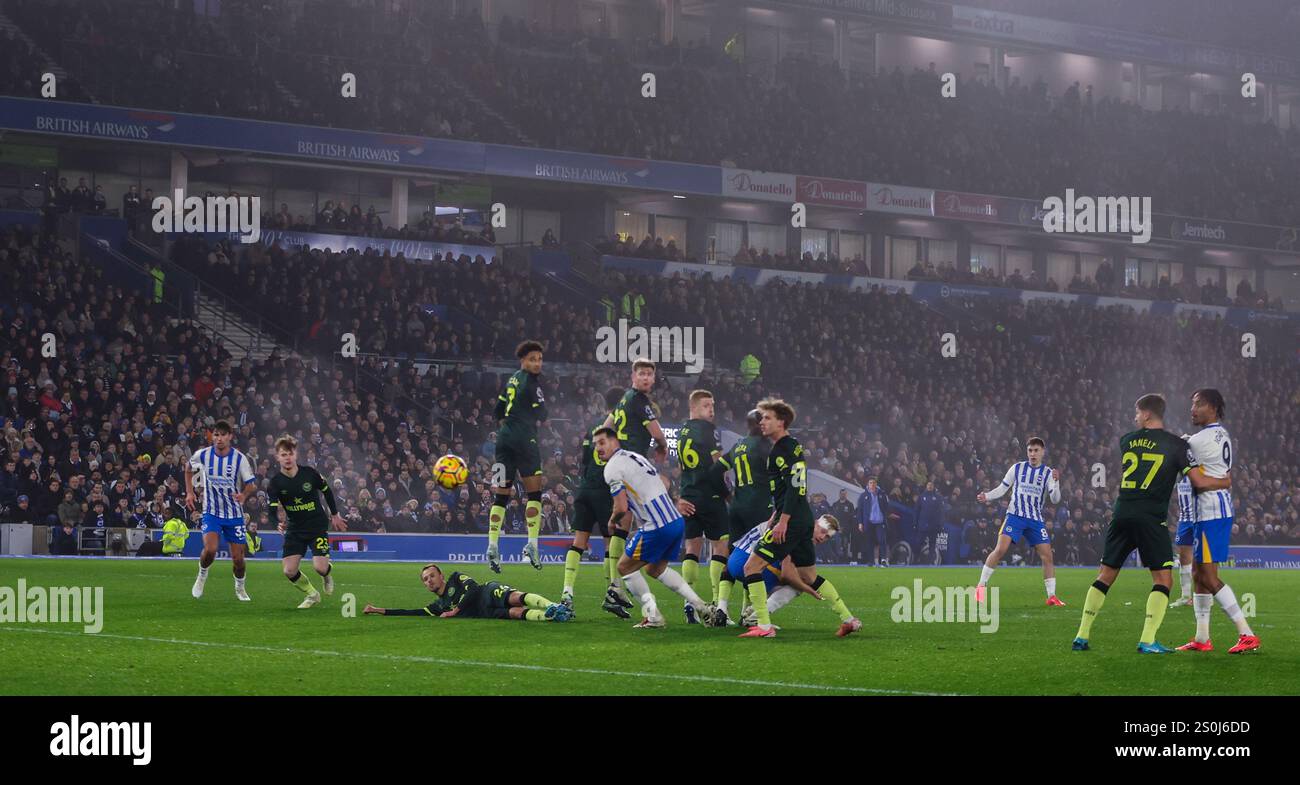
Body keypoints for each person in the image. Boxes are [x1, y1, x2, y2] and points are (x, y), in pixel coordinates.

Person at [1071, 394, 1226, 654]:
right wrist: (1224, 481)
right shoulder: (1176, 445)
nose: (1135, 417)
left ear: (1146, 415)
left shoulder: (1126, 441)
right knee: (1163, 579)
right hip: (1151, 518)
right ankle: (1147, 639)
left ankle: (1081, 636)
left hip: (1121, 514)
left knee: (1105, 575)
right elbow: (1198, 481)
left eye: (1137, 412)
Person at [738, 399, 859, 638]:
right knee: (810, 576)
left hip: (792, 520)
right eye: (761, 418)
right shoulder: (790, 447)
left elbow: (796, 488)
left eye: (767, 418)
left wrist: (783, 520)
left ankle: (763, 626)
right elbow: (792, 488)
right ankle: (849, 619)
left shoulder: (783, 450)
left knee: (750, 566)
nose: (762, 422)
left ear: (781, 422)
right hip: (802, 519)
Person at [593, 427, 718, 628]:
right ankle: (702, 607)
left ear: (615, 441)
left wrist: (612, 520)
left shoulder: (611, 468)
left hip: (657, 525)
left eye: (602, 442)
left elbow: (621, 507)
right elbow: (664, 481)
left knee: (623, 567)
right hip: (675, 521)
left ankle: (653, 616)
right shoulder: (636, 457)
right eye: (595, 444)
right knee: (655, 569)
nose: (598, 448)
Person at [1176, 389, 1259, 654]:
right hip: (1210, 512)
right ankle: (1202, 638)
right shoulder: (1222, 434)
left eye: (1198, 404)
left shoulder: (1199, 441)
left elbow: (1184, 463)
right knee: (1199, 575)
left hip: (1211, 513)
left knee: (1210, 577)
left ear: (1212, 407)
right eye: (1192, 404)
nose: (1192, 409)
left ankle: (1246, 633)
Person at [974, 437, 1065, 606]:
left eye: (1036, 450)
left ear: (1043, 452)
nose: (1033, 454)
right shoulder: (1017, 468)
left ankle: (1051, 596)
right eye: (1030, 450)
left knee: (1047, 556)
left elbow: (1055, 498)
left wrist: (1057, 482)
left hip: (1035, 520)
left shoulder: (1048, 473)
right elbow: (1003, 488)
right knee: (1000, 550)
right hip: (1015, 516)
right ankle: (980, 586)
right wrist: (987, 496)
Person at [560, 387, 627, 615]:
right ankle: (613, 593)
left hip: (584, 488)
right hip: (604, 490)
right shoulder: (618, 427)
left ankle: (567, 592)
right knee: (611, 542)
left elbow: (585, 459)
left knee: (579, 543)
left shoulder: (593, 428)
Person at [267, 435, 348, 609]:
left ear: (295, 454)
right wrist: (276, 522)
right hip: (295, 529)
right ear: (277, 457)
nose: (287, 458)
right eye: (283, 455)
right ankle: (312, 594)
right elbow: (271, 510)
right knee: (289, 571)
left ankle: (326, 574)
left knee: (320, 568)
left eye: (290, 454)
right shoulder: (275, 483)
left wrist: (335, 514)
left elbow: (327, 491)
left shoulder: (310, 474)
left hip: (316, 526)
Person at [487, 341, 547, 572]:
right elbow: (542, 412)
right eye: (533, 359)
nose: (537, 363)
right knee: (534, 493)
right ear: (523, 360)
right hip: (525, 440)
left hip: (502, 442)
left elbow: (498, 411)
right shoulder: (531, 383)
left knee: (501, 496)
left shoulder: (511, 379)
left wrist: (508, 429)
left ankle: (492, 546)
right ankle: (532, 544)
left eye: (540, 359)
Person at [186, 420, 257, 601]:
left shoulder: (239, 458)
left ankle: (240, 588)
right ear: (212, 436)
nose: (219, 438)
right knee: (210, 550)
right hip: (211, 512)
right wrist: (189, 493)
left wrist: (243, 495)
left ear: (230, 437)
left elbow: (251, 484)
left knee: (238, 560)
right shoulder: (203, 455)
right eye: (216, 435)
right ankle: (202, 575)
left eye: (223, 435)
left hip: (234, 515)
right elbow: (188, 468)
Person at [677, 389, 730, 622]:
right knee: (721, 546)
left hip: (688, 497)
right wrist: (727, 493)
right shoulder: (709, 430)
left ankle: (689, 603)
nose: (712, 410)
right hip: (711, 496)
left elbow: (682, 468)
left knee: (692, 548)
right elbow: (718, 465)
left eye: (713, 405)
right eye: (707, 405)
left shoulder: (682, 431)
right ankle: (719, 607)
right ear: (695, 407)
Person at [363, 563, 572, 622]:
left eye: (432, 575)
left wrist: (456, 611)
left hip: (487, 593)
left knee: (515, 597)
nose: (429, 580)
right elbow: (410, 612)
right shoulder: (438, 607)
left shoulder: (456, 578)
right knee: (516, 613)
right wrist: (377, 610)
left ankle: (552, 605)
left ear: (441, 575)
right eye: (425, 580)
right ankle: (552, 616)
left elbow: (472, 588)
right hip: (485, 614)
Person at [717, 408, 774, 620]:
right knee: (755, 559)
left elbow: (716, 472)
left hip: (737, 509)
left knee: (733, 556)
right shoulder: (765, 446)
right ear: (760, 424)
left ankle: (722, 608)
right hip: (758, 508)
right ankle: (749, 612)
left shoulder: (738, 445)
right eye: (766, 420)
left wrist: (728, 496)